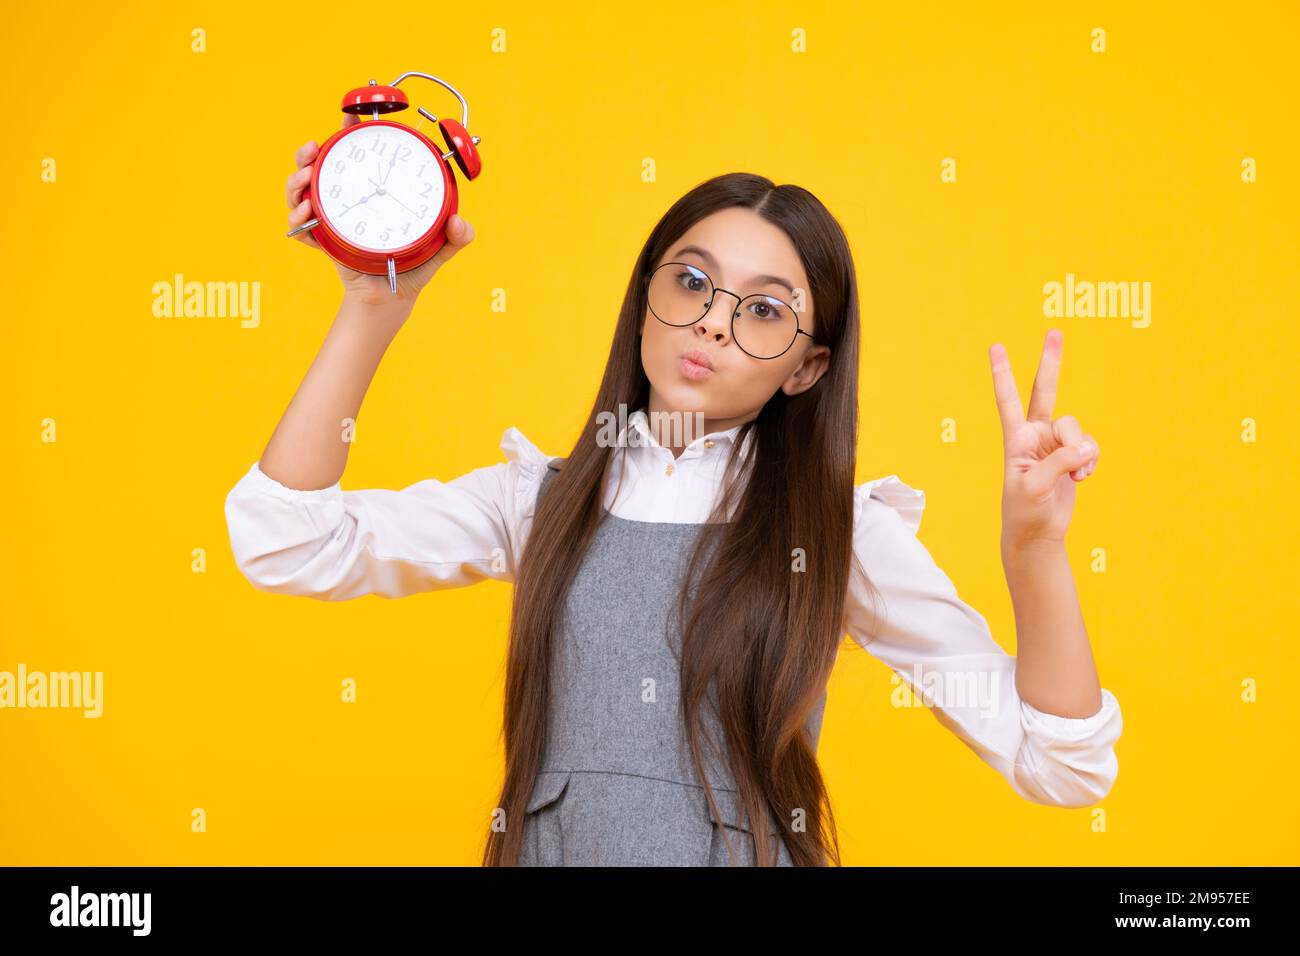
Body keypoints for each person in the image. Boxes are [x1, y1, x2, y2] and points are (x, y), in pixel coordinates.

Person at [224, 123, 1122, 866]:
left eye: (764, 309)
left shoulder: (835, 534)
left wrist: (1034, 552)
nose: (711, 322)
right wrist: (374, 307)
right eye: (691, 281)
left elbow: (1060, 764)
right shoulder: (539, 501)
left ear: (810, 368)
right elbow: (286, 541)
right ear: (646, 292)